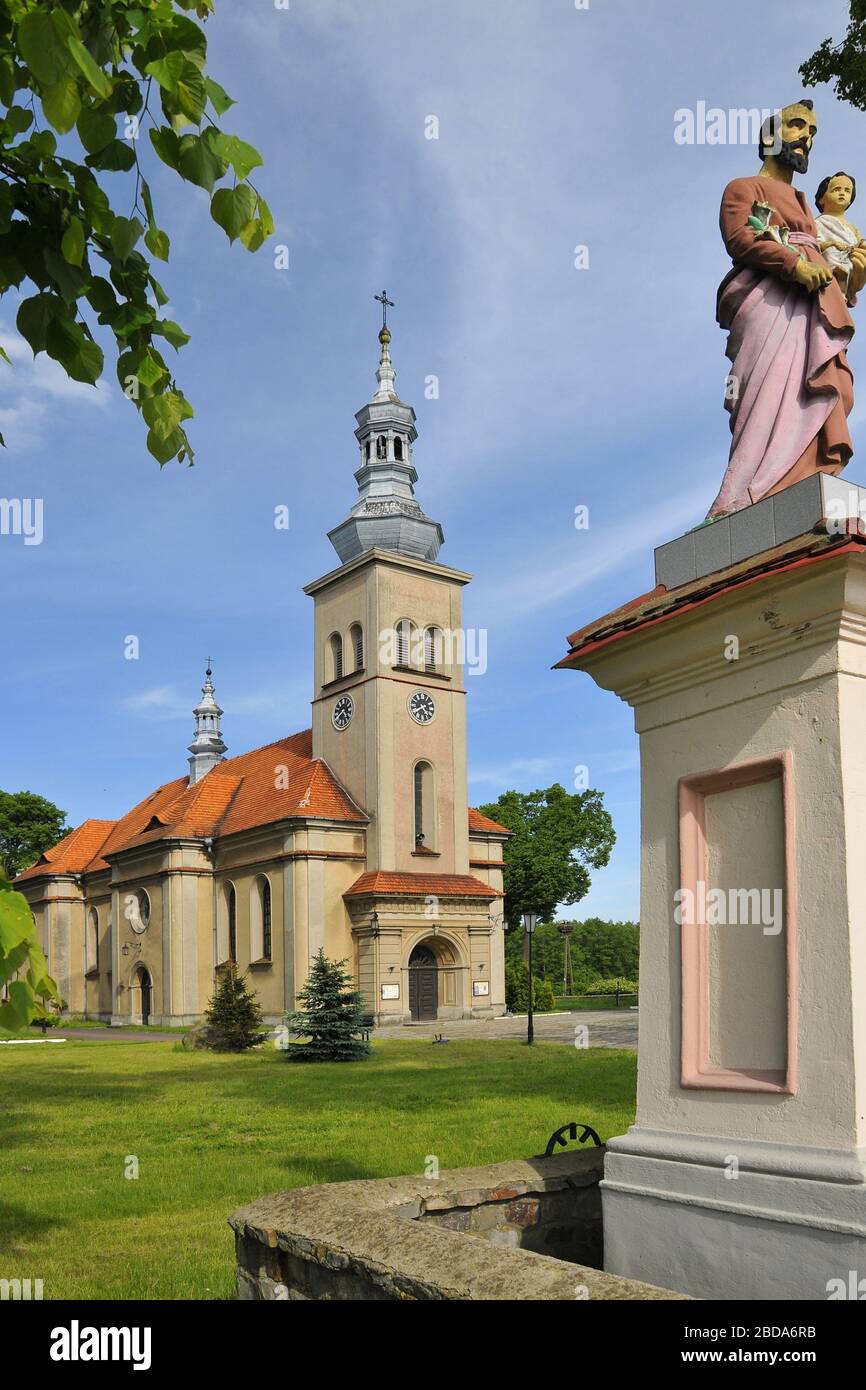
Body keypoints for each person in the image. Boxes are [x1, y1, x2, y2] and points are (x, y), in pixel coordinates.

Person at [707, 102, 865, 519]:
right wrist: (794, 265)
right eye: (797, 126)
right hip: (768, 302)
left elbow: (828, 271)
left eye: (811, 132)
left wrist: (853, 277)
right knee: (766, 391)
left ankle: (801, 477)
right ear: (768, 136)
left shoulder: (807, 209)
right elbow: (741, 238)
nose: (806, 138)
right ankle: (745, 494)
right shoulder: (743, 187)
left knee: (825, 390)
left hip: (812, 307)